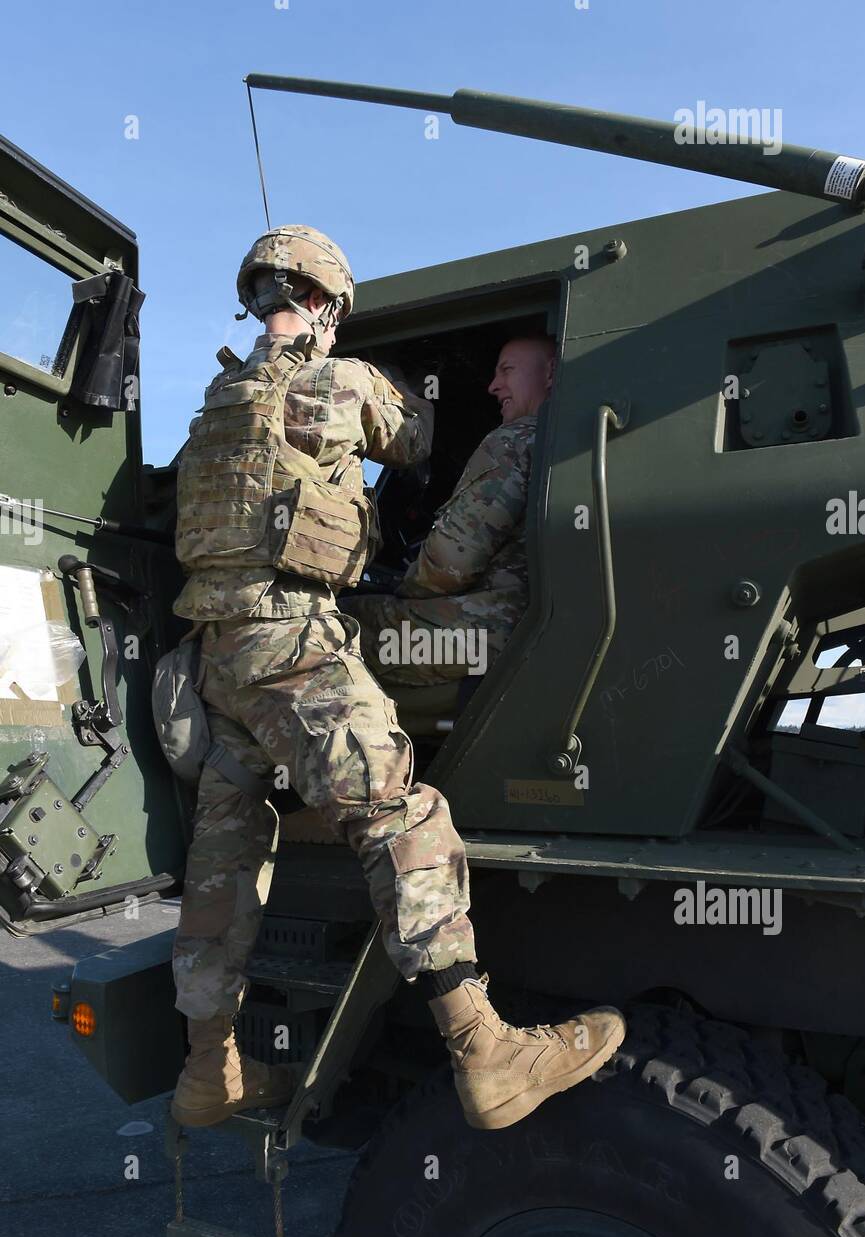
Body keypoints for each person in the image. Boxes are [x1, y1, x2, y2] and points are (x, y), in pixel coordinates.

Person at [169, 225, 625, 1131]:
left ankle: (206, 1069)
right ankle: (483, 1050)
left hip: (215, 657)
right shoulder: (343, 380)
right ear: (331, 306)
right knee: (401, 814)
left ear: (257, 303)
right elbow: (415, 439)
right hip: (294, 645)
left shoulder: (216, 400)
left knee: (223, 853)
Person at [344, 335, 555, 686]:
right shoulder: (557, 440)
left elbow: (449, 564)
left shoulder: (514, 440)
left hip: (488, 635)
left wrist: (400, 589)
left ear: (550, 373)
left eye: (507, 370)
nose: (493, 385)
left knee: (329, 629)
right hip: (525, 625)